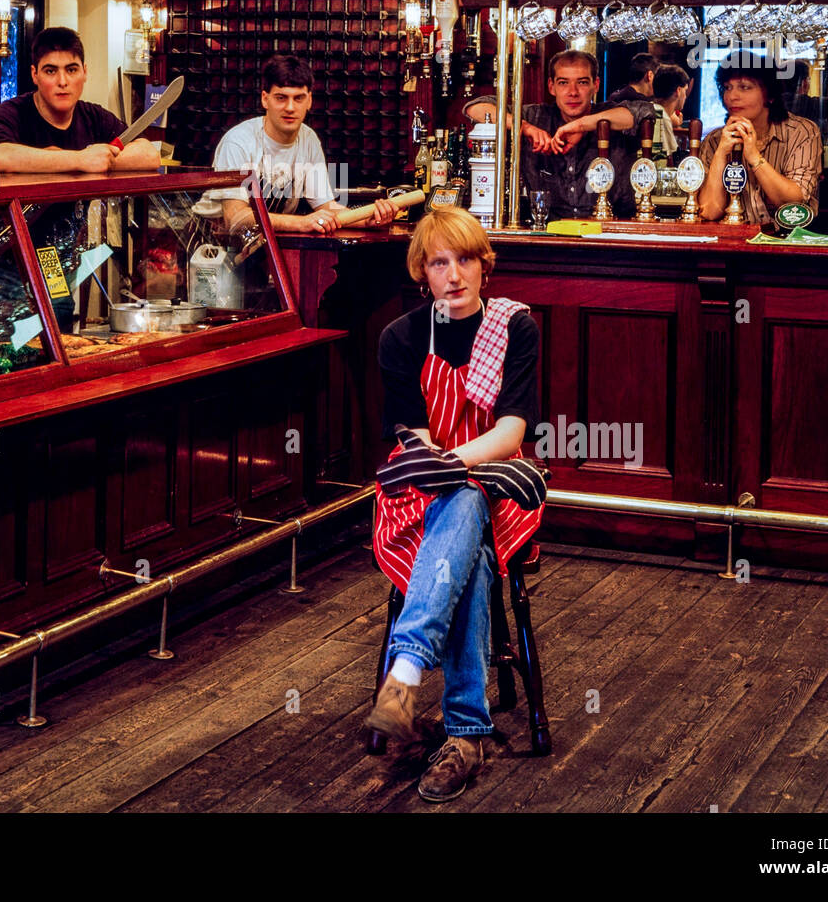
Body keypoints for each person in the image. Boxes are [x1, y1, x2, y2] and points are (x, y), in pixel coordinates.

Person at [366, 207, 546, 802]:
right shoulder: (402, 337)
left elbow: (512, 430)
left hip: (500, 479)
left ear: (484, 266)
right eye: (440, 262)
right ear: (423, 272)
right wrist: (442, 470)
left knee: (469, 503)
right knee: (465, 524)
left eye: (465, 259)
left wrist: (454, 465)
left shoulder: (515, 327)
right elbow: (411, 438)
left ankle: (407, 670)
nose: (454, 275)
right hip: (423, 488)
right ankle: (466, 734)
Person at [211, 54, 395, 235]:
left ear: (309, 101)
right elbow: (235, 218)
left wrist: (367, 220)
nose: (290, 107)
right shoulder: (238, 141)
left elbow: (327, 207)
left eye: (298, 98)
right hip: (214, 248)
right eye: (281, 97)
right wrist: (301, 223)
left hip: (265, 245)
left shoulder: (308, 139)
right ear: (265, 99)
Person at [470, 50, 657, 219]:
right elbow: (475, 108)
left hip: (613, 235)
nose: (573, 92)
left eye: (582, 82)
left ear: (596, 85)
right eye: (563, 83)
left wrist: (583, 125)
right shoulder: (536, 117)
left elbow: (644, 112)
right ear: (551, 86)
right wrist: (524, 126)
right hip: (549, 238)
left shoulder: (610, 113)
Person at [0, 27, 160, 173]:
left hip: (80, 218)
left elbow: (150, 155)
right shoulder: (11, 113)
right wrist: (79, 160)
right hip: (22, 217)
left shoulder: (95, 117)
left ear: (85, 72)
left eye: (71, 70)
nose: (62, 82)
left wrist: (104, 161)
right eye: (50, 71)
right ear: (34, 75)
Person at [698, 57, 822, 230]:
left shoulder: (801, 132)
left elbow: (793, 202)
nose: (732, 96)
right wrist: (721, 153)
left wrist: (754, 156)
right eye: (727, 88)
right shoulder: (714, 140)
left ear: (769, 95)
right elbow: (710, 211)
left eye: (745, 87)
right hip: (732, 246)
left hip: (788, 244)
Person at [651, 63, 691, 158]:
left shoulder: (653, 109)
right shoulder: (661, 116)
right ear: (678, 91)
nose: (685, 97)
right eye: (685, 91)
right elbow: (667, 159)